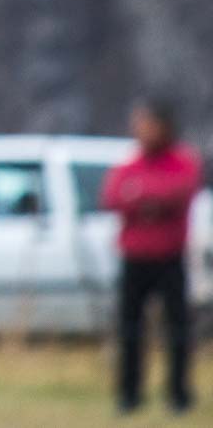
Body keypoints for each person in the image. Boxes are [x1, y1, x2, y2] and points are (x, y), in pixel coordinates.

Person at [102, 98, 203, 416]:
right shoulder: (128, 163)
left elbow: (177, 194)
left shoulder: (184, 161)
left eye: (147, 124)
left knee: (177, 329)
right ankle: (129, 395)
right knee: (130, 329)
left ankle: (178, 396)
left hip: (170, 257)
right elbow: (113, 197)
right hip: (134, 258)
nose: (141, 130)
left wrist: (141, 197)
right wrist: (148, 200)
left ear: (164, 127)